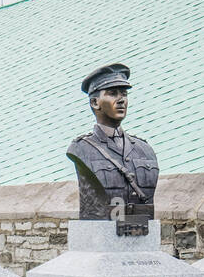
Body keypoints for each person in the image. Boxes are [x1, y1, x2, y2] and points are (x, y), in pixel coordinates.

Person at [66, 63, 158, 233]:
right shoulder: (81, 149)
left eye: (124, 93)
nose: (121, 99)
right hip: (100, 234)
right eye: (112, 93)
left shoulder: (145, 150)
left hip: (139, 229)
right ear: (95, 102)